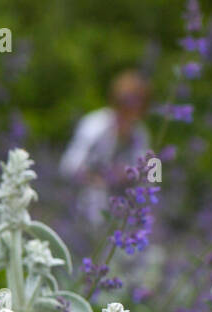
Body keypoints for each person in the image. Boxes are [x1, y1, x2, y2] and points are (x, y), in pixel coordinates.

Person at [60, 70, 151, 223]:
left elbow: (154, 176)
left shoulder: (142, 134)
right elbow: (68, 166)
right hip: (83, 208)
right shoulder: (94, 125)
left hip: (123, 214)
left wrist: (132, 174)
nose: (130, 114)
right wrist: (99, 179)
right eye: (126, 106)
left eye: (137, 108)